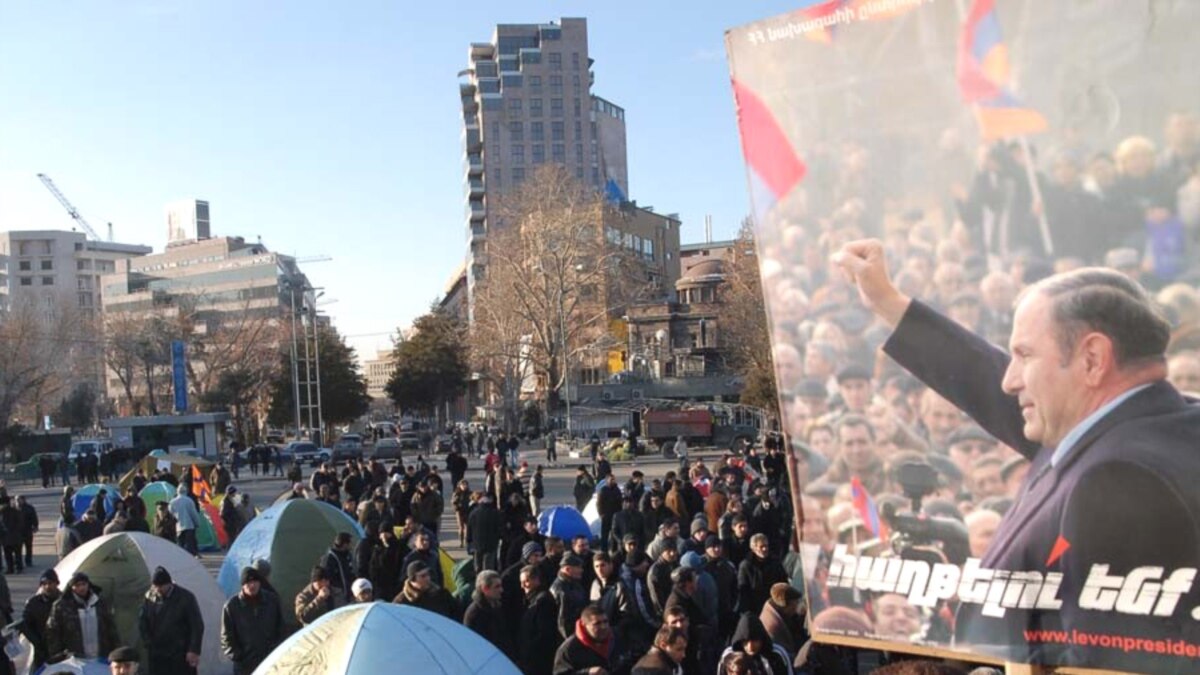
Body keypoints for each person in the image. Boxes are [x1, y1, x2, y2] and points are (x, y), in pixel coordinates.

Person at [836, 238, 1200, 667]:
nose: (1010, 380)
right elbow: (986, 379)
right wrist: (888, 302)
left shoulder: (1120, 480)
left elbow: (1112, 660)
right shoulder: (1135, 423)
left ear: (1093, 359)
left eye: (1024, 355)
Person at [137, 566, 204, 675]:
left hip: (179, 653)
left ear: (169, 584)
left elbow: (197, 625)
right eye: (155, 586)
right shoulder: (149, 597)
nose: (158, 589)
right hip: (156, 652)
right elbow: (142, 620)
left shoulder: (186, 598)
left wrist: (193, 650)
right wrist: (147, 641)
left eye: (161, 586)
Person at [220, 566, 283, 675]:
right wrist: (238, 656)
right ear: (243, 585)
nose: (252, 585)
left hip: (270, 660)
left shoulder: (271, 601)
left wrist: (276, 649)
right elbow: (226, 638)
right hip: (244, 666)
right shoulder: (231, 606)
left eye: (255, 581)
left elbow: (281, 628)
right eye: (248, 582)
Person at [46, 572, 120, 662]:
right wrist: (57, 655)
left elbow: (111, 627)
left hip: (101, 654)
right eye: (77, 585)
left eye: (84, 584)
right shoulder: (61, 605)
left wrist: (116, 649)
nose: (81, 588)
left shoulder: (99, 602)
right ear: (71, 587)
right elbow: (53, 632)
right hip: (74, 657)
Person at [552, 603, 632, 675]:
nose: (603, 627)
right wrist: (587, 672)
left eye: (605, 622)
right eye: (597, 624)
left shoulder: (617, 638)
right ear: (584, 625)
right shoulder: (569, 649)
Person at [519, 564, 560, 675]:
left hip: (539, 659)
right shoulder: (532, 599)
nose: (522, 586)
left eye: (526, 581)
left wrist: (529, 650)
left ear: (536, 580)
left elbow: (545, 632)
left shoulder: (542, 601)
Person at [463, 569, 514, 659]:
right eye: (497, 587)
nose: (501, 590)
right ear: (485, 589)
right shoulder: (474, 613)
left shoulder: (497, 606)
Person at [737, 534, 788, 616]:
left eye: (766, 546)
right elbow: (743, 590)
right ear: (753, 548)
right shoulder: (746, 566)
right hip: (754, 608)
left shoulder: (775, 563)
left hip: (773, 606)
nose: (765, 549)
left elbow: (783, 583)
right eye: (761, 547)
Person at [21, 569, 61, 671]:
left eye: (50, 583)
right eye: (44, 584)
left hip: (61, 650)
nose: (47, 587)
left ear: (56, 583)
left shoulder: (65, 601)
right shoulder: (34, 603)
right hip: (41, 651)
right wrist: (37, 642)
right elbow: (25, 625)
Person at [550, 554, 589, 639]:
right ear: (568, 569)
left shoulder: (574, 583)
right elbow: (563, 621)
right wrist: (570, 640)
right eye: (579, 568)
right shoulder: (561, 590)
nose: (582, 570)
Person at [319, 532, 355, 602]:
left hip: (349, 594)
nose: (352, 546)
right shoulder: (329, 559)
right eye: (350, 543)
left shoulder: (347, 556)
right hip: (336, 597)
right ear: (345, 544)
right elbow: (326, 579)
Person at [168, 484, 201, 556]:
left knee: (180, 546)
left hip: (178, 527)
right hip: (189, 526)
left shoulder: (172, 502)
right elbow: (193, 514)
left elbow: (171, 515)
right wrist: (197, 523)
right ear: (186, 491)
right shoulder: (189, 501)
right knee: (190, 546)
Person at [16, 495, 37, 569]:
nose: (17, 501)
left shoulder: (29, 508)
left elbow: (34, 518)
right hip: (18, 532)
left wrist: (35, 526)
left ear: (23, 500)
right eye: (16, 500)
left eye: (19, 500)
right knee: (18, 548)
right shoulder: (15, 508)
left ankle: (28, 561)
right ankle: (18, 562)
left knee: (28, 547)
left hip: (27, 530)